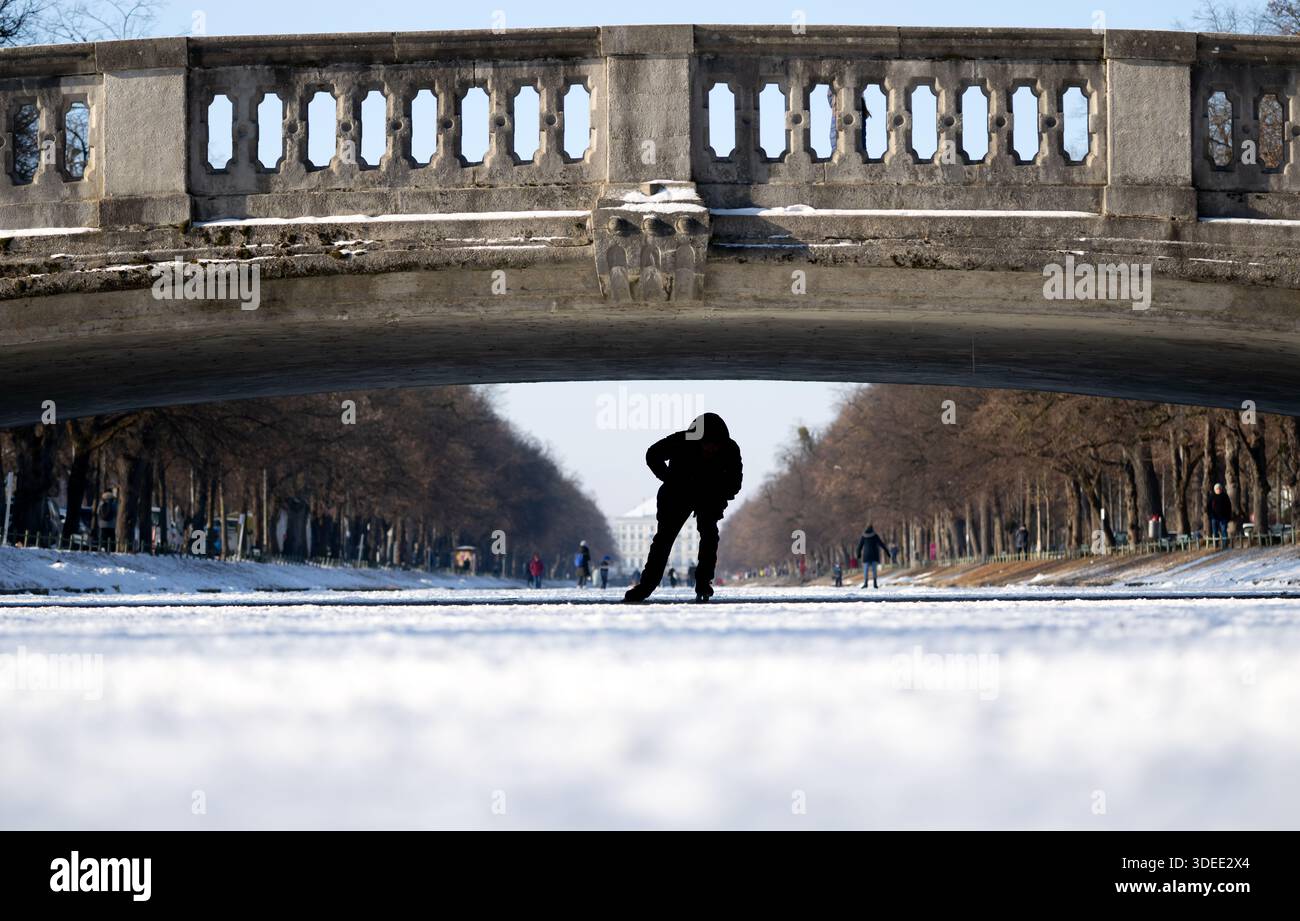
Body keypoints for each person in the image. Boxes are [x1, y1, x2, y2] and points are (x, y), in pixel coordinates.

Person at [624, 413, 743, 604]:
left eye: (715, 445)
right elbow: (652, 454)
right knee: (664, 539)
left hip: (709, 495)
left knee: (710, 535)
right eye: (707, 444)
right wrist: (669, 479)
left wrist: (719, 497)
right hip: (677, 494)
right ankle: (646, 586)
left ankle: (704, 583)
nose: (711, 449)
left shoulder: (730, 448)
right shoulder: (682, 440)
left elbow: (735, 481)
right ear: (698, 440)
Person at [856, 524, 887, 589]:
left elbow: (859, 546)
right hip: (874, 555)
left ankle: (866, 583)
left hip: (866, 556)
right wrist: (887, 551)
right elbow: (881, 544)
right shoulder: (875, 536)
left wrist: (858, 554)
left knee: (866, 570)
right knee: (874, 570)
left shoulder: (864, 536)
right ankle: (874, 584)